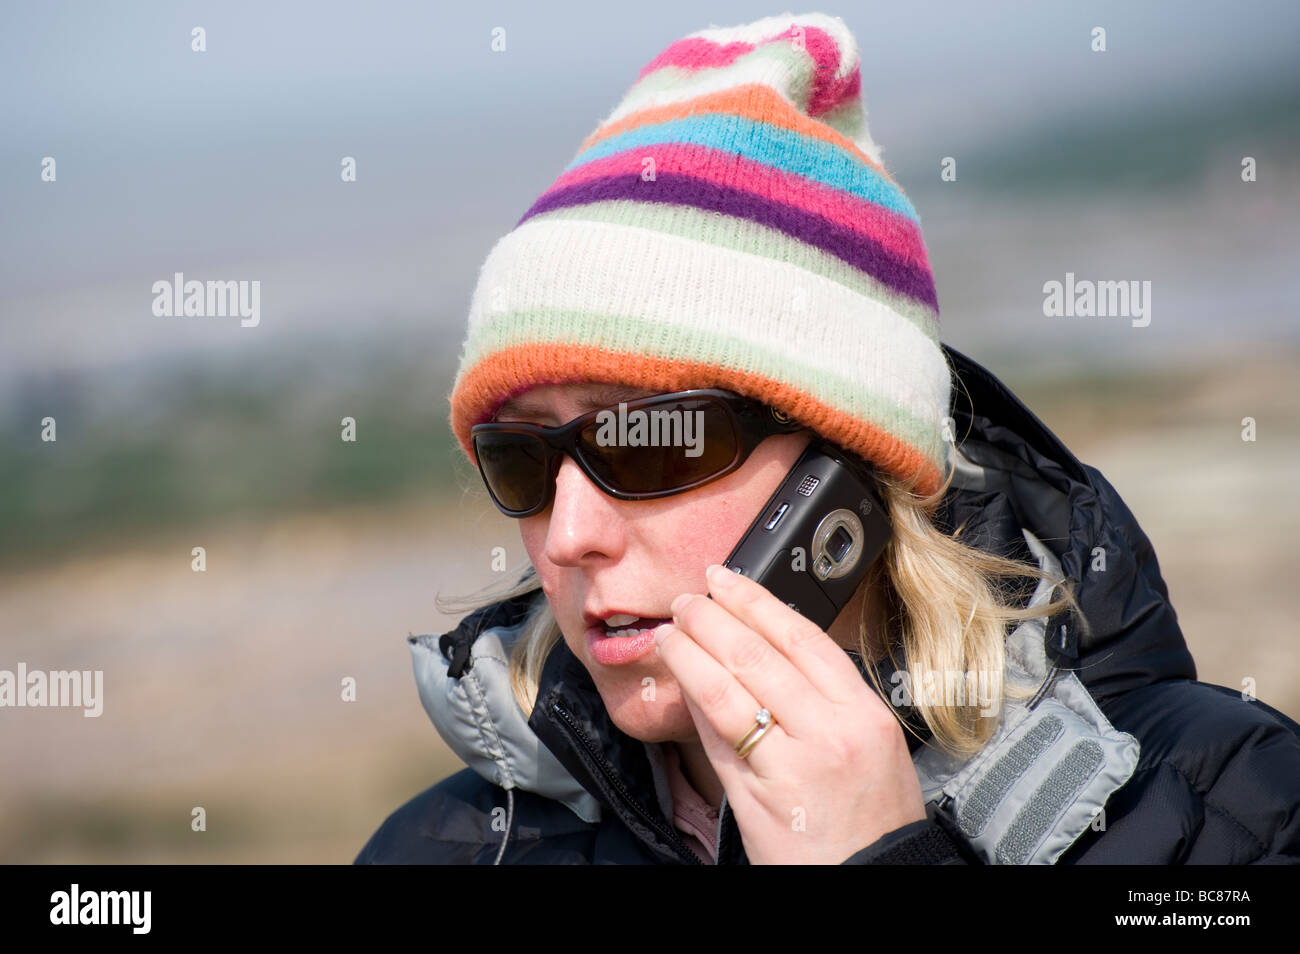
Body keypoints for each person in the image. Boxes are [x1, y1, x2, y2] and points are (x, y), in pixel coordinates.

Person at [355, 12, 1300, 864]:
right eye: (522, 459)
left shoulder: (1228, 804)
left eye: (649, 442)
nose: (568, 537)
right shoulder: (438, 848)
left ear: (848, 476)